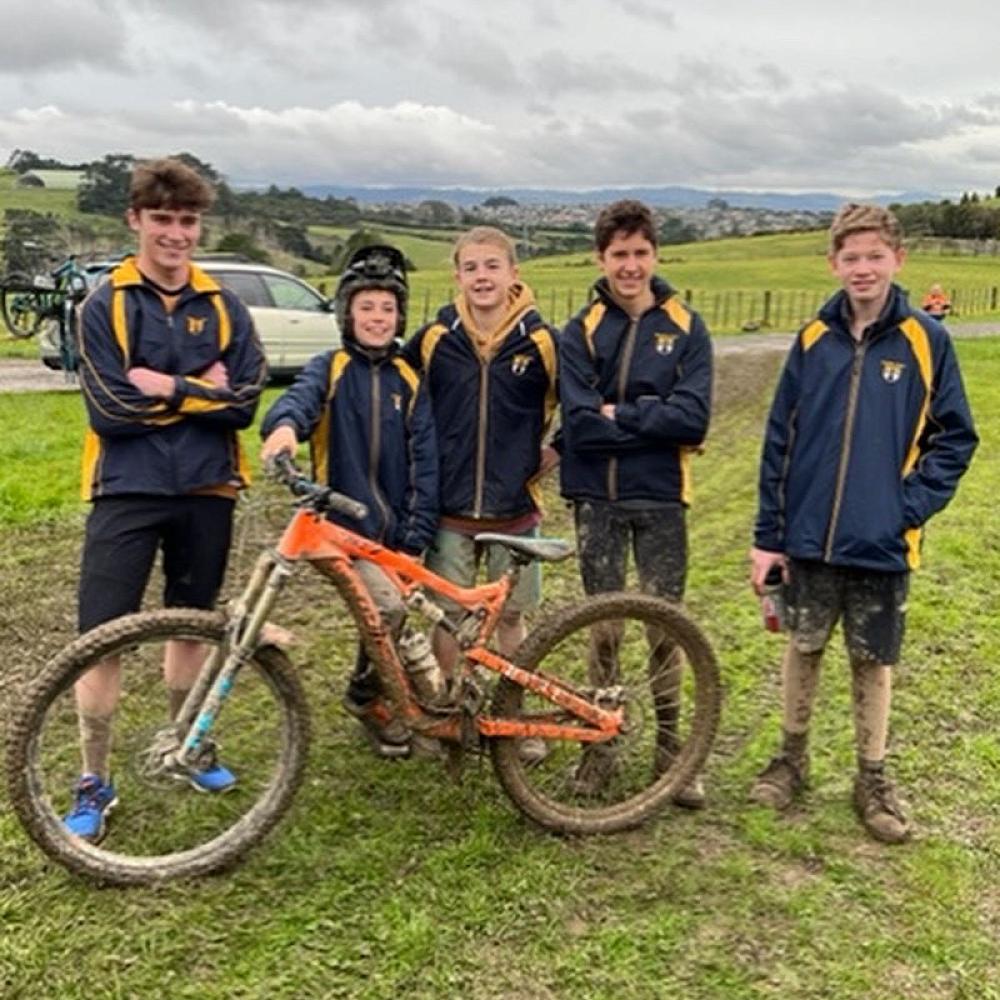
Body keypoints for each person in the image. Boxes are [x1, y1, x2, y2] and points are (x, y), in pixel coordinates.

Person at [748, 203, 977, 843]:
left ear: (897, 260)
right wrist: (769, 537)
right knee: (804, 644)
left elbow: (954, 439)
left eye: (875, 256)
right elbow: (779, 443)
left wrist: (904, 508)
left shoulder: (927, 342)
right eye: (851, 257)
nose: (863, 268)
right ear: (833, 264)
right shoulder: (813, 340)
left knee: (873, 661)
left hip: (882, 543)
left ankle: (872, 777)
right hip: (809, 537)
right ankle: (791, 759)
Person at [66, 157, 269, 841]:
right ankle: (94, 777)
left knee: (189, 627)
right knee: (102, 639)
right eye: (163, 220)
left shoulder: (225, 305)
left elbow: (243, 404)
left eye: (187, 221)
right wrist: (201, 390)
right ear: (135, 220)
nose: (176, 235)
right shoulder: (105, 304)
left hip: (209, 490)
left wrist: (167, 386)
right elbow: (110, 410)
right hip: (125, 488)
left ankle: (184, 745)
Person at [558, 199, 713, 808]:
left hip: (661, 498)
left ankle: (674, 756)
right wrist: (655, 419)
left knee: (664, 630)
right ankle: (601, 748)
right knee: (603, 631)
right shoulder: (580, 331)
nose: (630, 266)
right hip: (596, 497)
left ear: (656, 254)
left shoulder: (687, 326)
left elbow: (694, 419)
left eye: (640, 253)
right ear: (602, 258)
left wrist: (617, 413)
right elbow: (577, 424)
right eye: (619, 254)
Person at [260, 244, 438, 758]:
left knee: (383, 614)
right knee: (385, 610)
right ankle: (375, 699)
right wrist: (285, 429)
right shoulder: (330, 367)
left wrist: (416, 534)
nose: (377, 318)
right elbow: (297, 401)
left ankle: (376, 694)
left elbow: (426, 461)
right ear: (347, 313)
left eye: (387, 309)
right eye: (367, 307)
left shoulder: (410, 380)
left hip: (395, 532)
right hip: (340, 525)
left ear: (399, 315)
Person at [401, 226, 558, 763]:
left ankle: (520, 719)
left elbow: (580, 403)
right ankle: (447, 717)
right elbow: (398, 390)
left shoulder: (541, 341)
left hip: (515, 508)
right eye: (471, 268)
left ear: (514, 273)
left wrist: (552, 451)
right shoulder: (434, 337)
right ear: (457, 276)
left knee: (512, 618)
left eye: (493, 266)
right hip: (450, 507)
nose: (482, 277)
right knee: (448, 615)